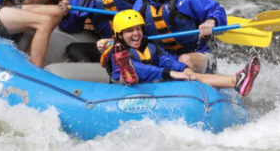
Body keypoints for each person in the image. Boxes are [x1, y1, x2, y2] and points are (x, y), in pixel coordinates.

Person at [105, 10, 260, 96]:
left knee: (190, 75)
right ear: (119, 35)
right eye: (129, 31)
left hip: (152, 83)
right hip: (125, 87)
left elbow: (166, 59)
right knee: (133, 73)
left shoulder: (149, 45)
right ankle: (234, 81)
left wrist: (181, 68)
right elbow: (144, 69)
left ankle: (235, 81)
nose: (136, 33)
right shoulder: (118, 51)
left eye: (138, 28)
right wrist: (169, 73)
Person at [133, 0, 227, 74]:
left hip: (199, 55)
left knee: (185, 60)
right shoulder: (139, 7)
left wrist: (211, 21)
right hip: (167, 59)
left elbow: (217, 10)